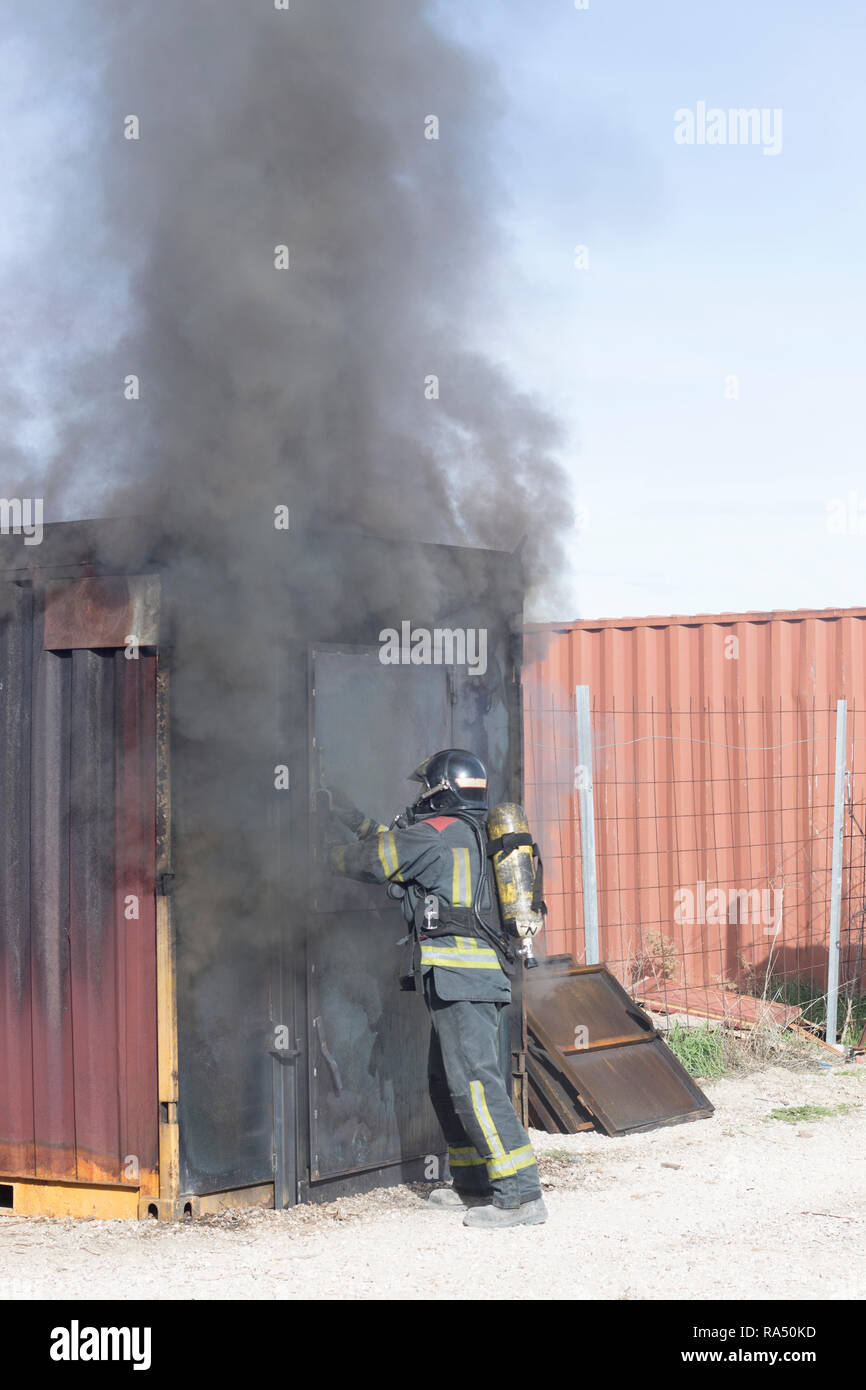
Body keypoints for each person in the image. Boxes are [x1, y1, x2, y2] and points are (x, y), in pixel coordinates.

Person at [327, 749, 547, 1229]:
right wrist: (347, 815)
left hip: (461, 977)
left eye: (424, 788)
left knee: (474, 1084)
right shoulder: (470, 833)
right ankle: (473, 1183)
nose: (419, 797)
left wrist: (320, 858)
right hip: (468, 978)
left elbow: (377, 859)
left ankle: (520, 1194)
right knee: (446, 1082)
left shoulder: (438, 833)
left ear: (442, 790)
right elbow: (394, 843)